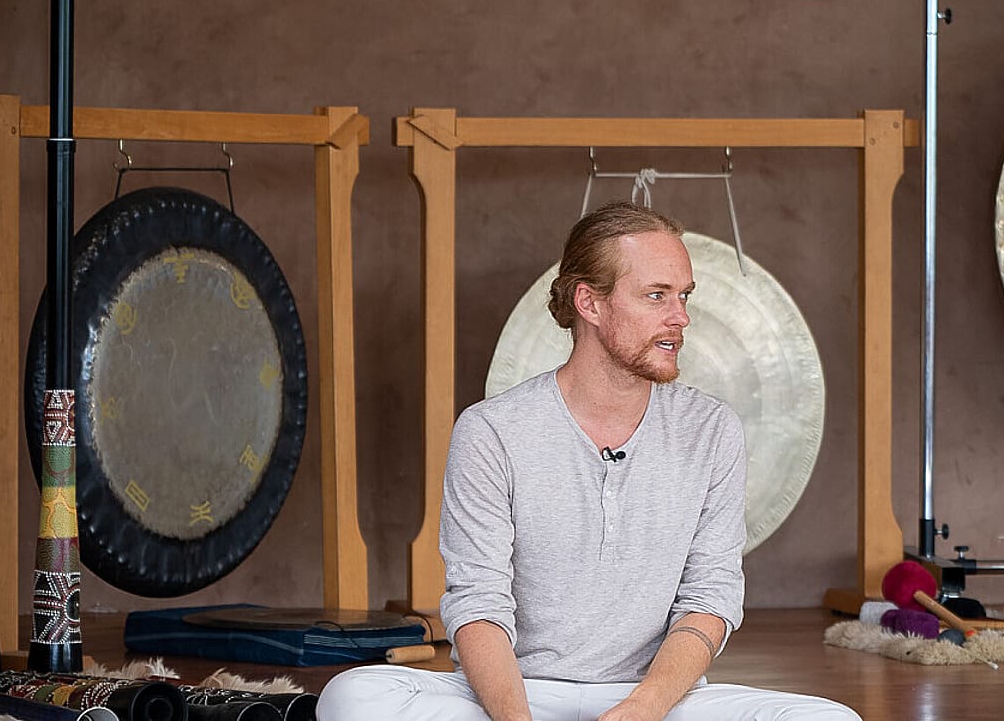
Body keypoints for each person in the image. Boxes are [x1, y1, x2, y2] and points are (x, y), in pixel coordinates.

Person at [317, 202, 860, 721]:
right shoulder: (490, 431)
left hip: (655, 698)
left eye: (684, 296)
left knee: (828, 717)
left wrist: (645, 707)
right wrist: (513, 716)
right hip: (514, 694)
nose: (681, 317)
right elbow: (477, 604)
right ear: (590, 303)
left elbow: (711, 597)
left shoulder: (711, 430)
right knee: (352, 697)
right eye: (656, 296)